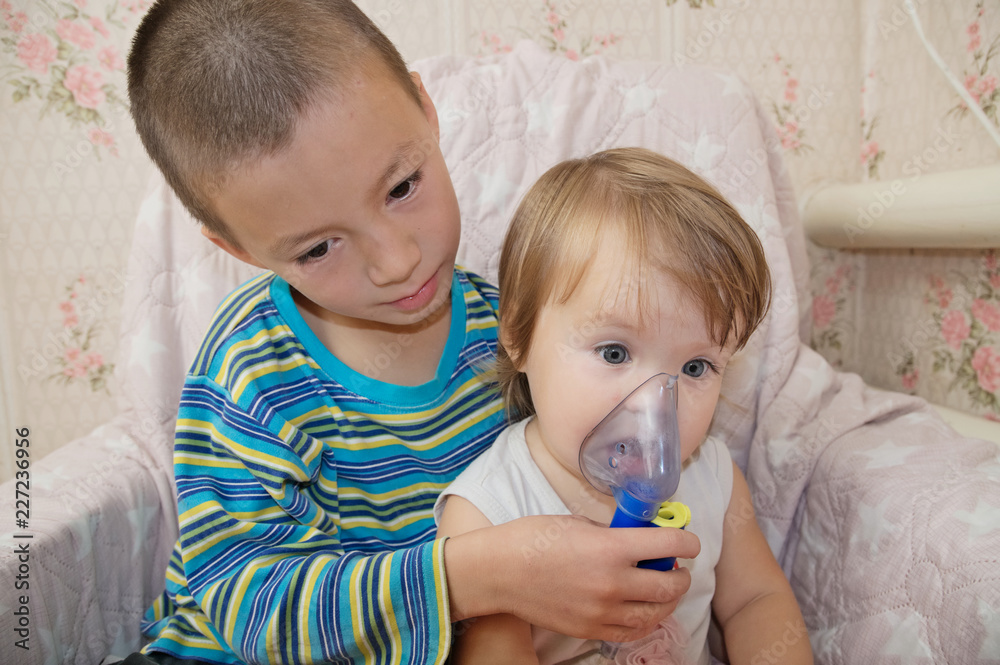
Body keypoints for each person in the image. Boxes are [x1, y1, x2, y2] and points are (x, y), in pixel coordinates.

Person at [124, 2, 699, 663]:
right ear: (241, 248)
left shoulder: (513, 334)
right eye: (318, 249)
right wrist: (479, 573)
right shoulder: (248, 371)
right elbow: (251, 608)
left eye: (402, 186)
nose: (396, 261)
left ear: (426, 110)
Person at [436, 147, 813, 665]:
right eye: (614, 353)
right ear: (518, 336)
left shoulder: (714, 478)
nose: (652, 407)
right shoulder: (488, 511)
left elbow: (755, 600)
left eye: (697, 367)